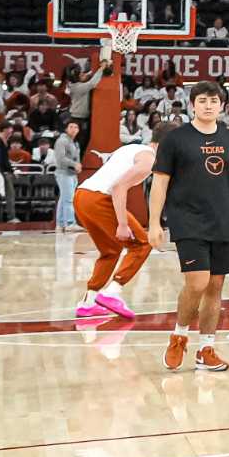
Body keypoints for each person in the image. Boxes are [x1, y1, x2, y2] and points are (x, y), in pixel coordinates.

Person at [148, 81, 229, 372]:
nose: (208, 105)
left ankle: (206, 348)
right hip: (187, 219)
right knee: (198, 282)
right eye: (202, 100)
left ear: (222, 105)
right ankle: (178, 336)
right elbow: (160, 183)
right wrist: (153, 222)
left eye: (213, 100)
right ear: (192, 104)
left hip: (223, 220)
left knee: (216, 286)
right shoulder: (175, 140)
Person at [72, 127, 167, 321]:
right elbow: (118, 187)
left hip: (82, 195)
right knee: (142, 244)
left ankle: (88, 303)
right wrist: (122, 224)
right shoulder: (149, 159)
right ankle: (112, 292)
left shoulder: (130, 148)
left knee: (111, 251)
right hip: (99, 198)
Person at [50, 118, 82, 230]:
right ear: (66, 129)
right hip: (64, 172)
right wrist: (74, 164)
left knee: (64, 198)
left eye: (76, 127)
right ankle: (69, 222)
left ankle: (60, 223)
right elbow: (60, 158)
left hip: (71, 173)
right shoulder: (62, 141)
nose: (73, 129)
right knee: (69, 199)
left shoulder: (74, 142)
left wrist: (77, 165)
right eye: (71, 127)